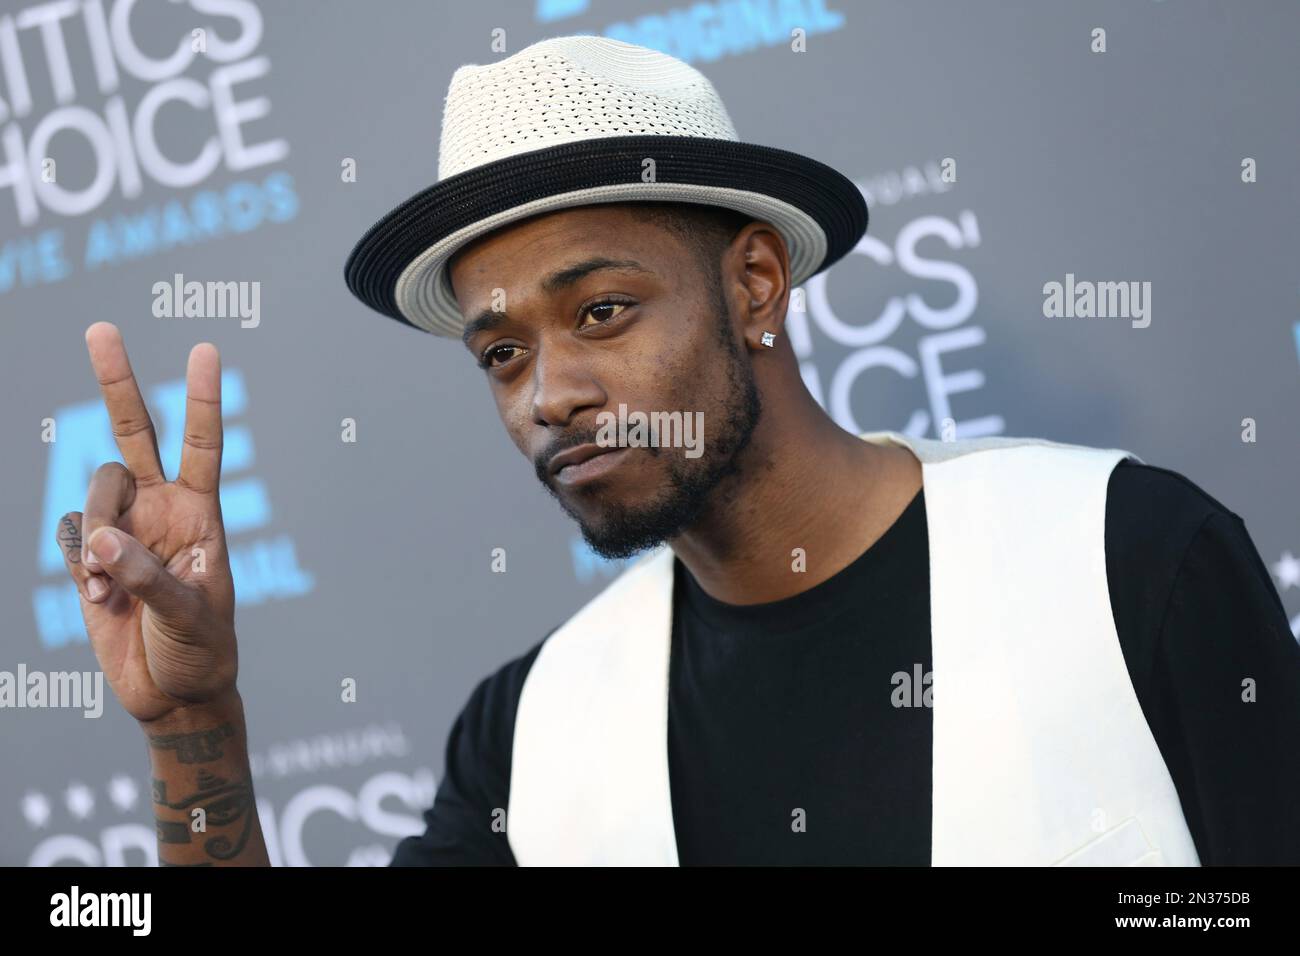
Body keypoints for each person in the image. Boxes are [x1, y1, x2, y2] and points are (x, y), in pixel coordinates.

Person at [58, 35, 1300, 867]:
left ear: (755, 281)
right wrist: (194, 721)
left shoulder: (1124, 556)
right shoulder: (528, 728)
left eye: (601, 311)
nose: (549, 393)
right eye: (501, 354)